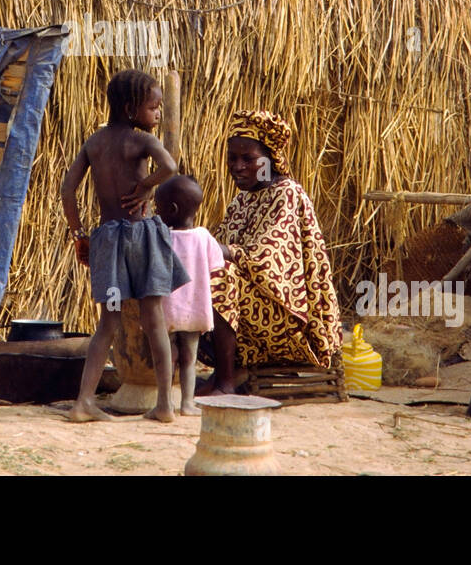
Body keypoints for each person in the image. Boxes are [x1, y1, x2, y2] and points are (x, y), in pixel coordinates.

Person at [62, 69, 186, 422]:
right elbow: (170, 166)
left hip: (110, 242)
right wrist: (147, 186)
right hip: (143, 238)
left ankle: (84, 402)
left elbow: (67, 189)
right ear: (132, 108)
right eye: (153, 107)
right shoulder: (142, 141)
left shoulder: (94, 143)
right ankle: (164, 404)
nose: (158, 113)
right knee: (154, 320)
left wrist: (79, 234)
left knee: (108, 323)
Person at [203, 109, 341, 394]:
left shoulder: (286, 193)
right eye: (232, 158)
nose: (237, 166)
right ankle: (215, 373)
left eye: (248, 159)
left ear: (269, 160)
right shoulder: (242, 199)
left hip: (290, 319)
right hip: (251, 309)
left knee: (219, 277)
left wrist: (209, 247)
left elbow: (267, 261)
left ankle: (226, 381)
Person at [156, 175, 231, 415]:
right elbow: (217, 265)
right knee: (190, 357)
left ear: (172, 209)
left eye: (159, 208)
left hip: (167, 310)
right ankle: (187, 403)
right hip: (194, 308)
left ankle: (165, 403)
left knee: (167, 358)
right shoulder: (204, 237)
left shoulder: (161, 237)